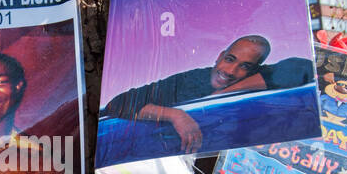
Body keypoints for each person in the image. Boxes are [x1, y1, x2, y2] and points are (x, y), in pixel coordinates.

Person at [101, 35, 314, 153]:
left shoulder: (255, 80)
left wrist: (226, 92)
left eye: (244, 67)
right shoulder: (190, 80)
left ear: (256, 70)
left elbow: (302, 68)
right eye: (230, 59)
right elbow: (117, 104)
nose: (230, 71)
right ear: (220, 56)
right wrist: (176, 115)